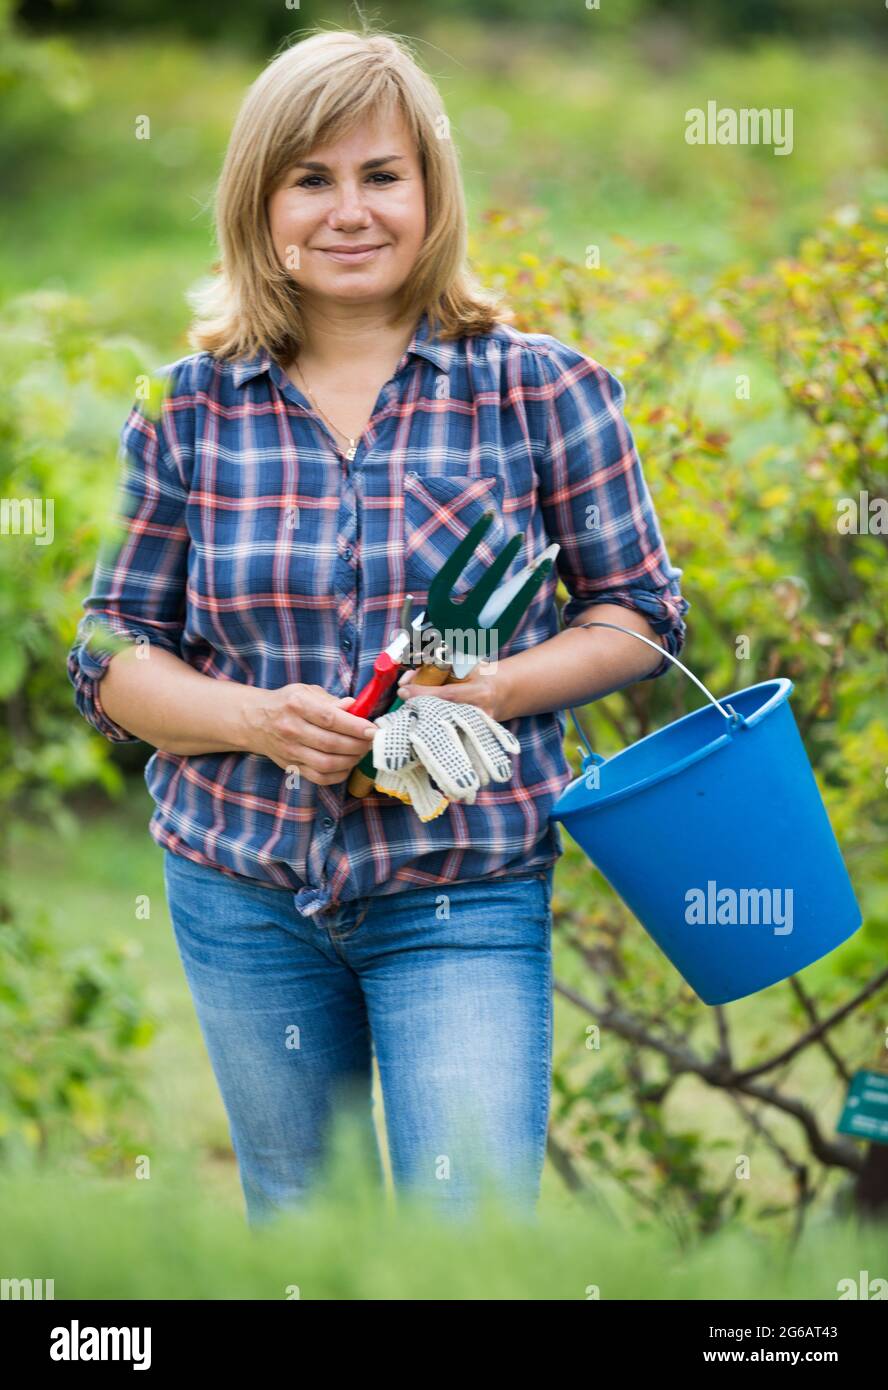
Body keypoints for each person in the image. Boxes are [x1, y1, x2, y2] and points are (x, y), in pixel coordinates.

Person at [66, 27, 689, 1227]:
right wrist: (254, 719)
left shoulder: (541, 390)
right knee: (306, 1231)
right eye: (311, 179)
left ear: (430, 192)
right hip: (241, 888)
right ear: (261, 202)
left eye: (381, 176)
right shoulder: (185, 411)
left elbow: (641, 614)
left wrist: (498, 689)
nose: (349, 212)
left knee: (469, 1237)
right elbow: (108, 649)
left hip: (461, 887)